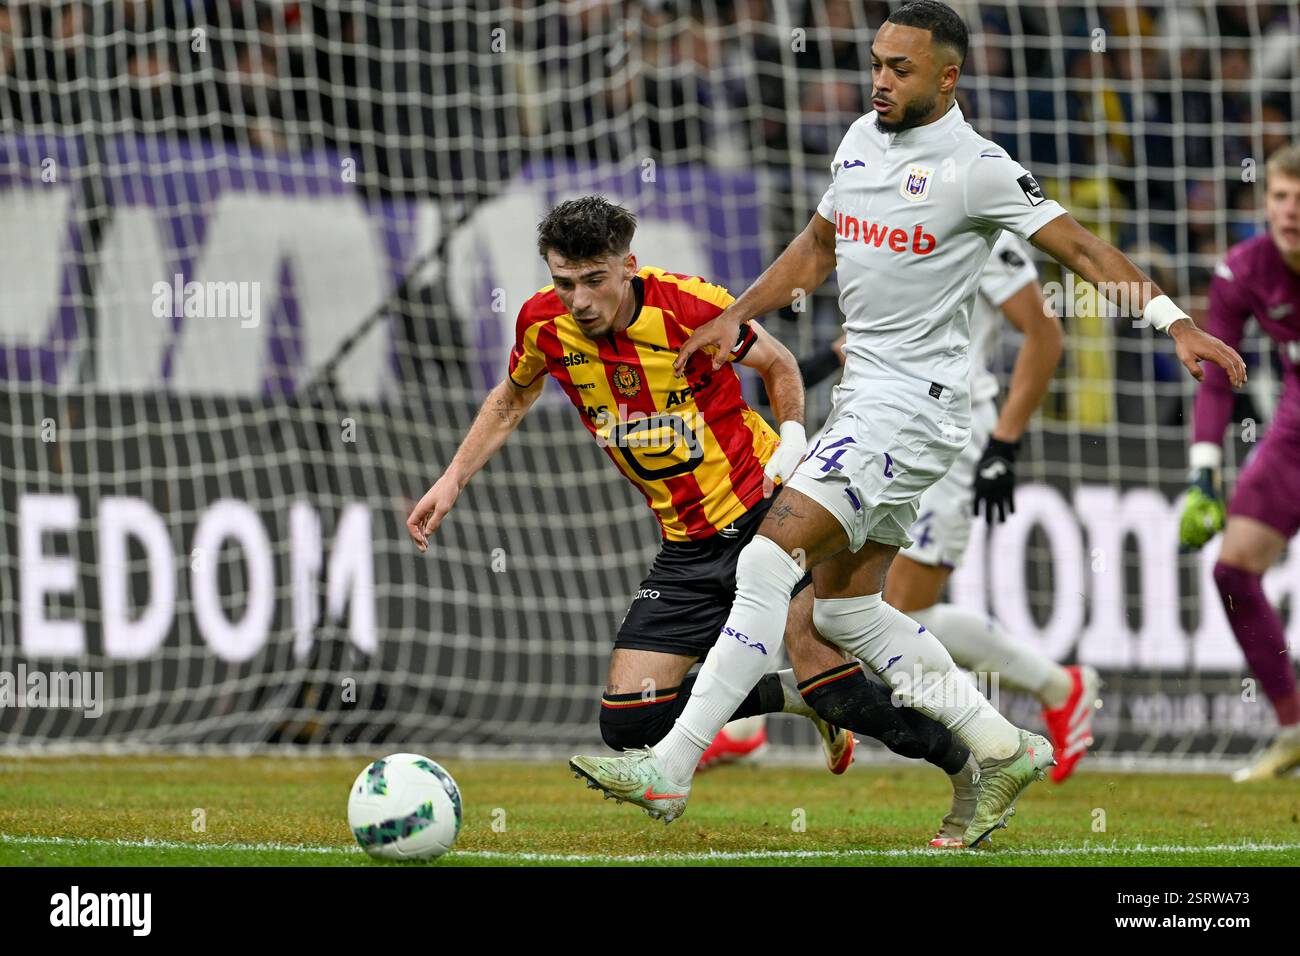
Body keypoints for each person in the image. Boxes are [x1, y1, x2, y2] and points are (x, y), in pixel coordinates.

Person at [570, 0, 1246, 849]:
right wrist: (735, 314)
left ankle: (671, 767)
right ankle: (1003, 747)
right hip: (867, 402)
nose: (881, 79)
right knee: (848, 615)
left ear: (947, 77)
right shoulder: (859, 137)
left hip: (913, 410)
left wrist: (1175, 324)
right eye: (877, 63)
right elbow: (818, 246)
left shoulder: (978, 168)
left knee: (769, 552)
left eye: (900, 69)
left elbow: (1082, 252)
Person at [407, 195, 983, 843]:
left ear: (628, 265)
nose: (581, 300)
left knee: (839, 688)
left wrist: (792, 437)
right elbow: (512, 398)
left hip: (773, 514)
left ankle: (970, 771)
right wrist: (452, 479)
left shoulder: (691, 307)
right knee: (627, 721)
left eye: (595, 280)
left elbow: (779, 362)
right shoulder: (543, 326)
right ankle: (791, 697)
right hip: (686, 544)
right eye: (564, 282)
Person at [714, 230, 1101, 790]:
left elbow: (1043, 332)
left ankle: (1053, 689)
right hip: (865, 424)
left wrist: (1005, 442)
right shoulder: (884, 208)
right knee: (792, 566)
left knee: (880, 613)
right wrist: (816, 366)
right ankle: (768, 713)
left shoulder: (978, 220)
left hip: (944, 435)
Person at [1180, 141, 1300, 783]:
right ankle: (1293, 727)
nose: (1290, 211)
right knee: (1232, 569)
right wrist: (1206, 470)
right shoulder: (1244, 269)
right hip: (1294, 439)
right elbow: (1217, 376)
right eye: (1280, 196)